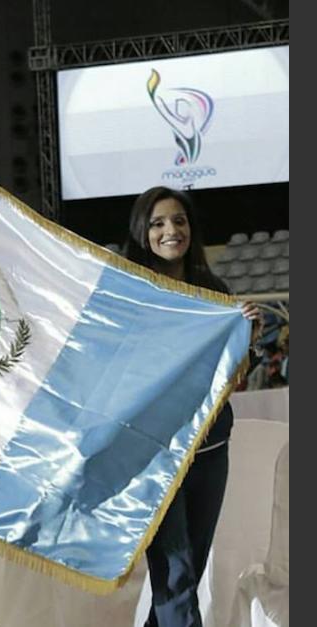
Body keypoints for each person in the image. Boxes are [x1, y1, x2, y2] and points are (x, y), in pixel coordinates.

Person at [123, 186, 260, 627]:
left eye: (179, 221)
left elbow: (231, 380)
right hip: (154, 454)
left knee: (186, 572)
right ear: (142, 231)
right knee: (176, 573)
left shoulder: (213, 290)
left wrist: (247, 338)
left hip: (209, 449)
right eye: (159, 222)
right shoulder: (130, 291)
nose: (171, 231)